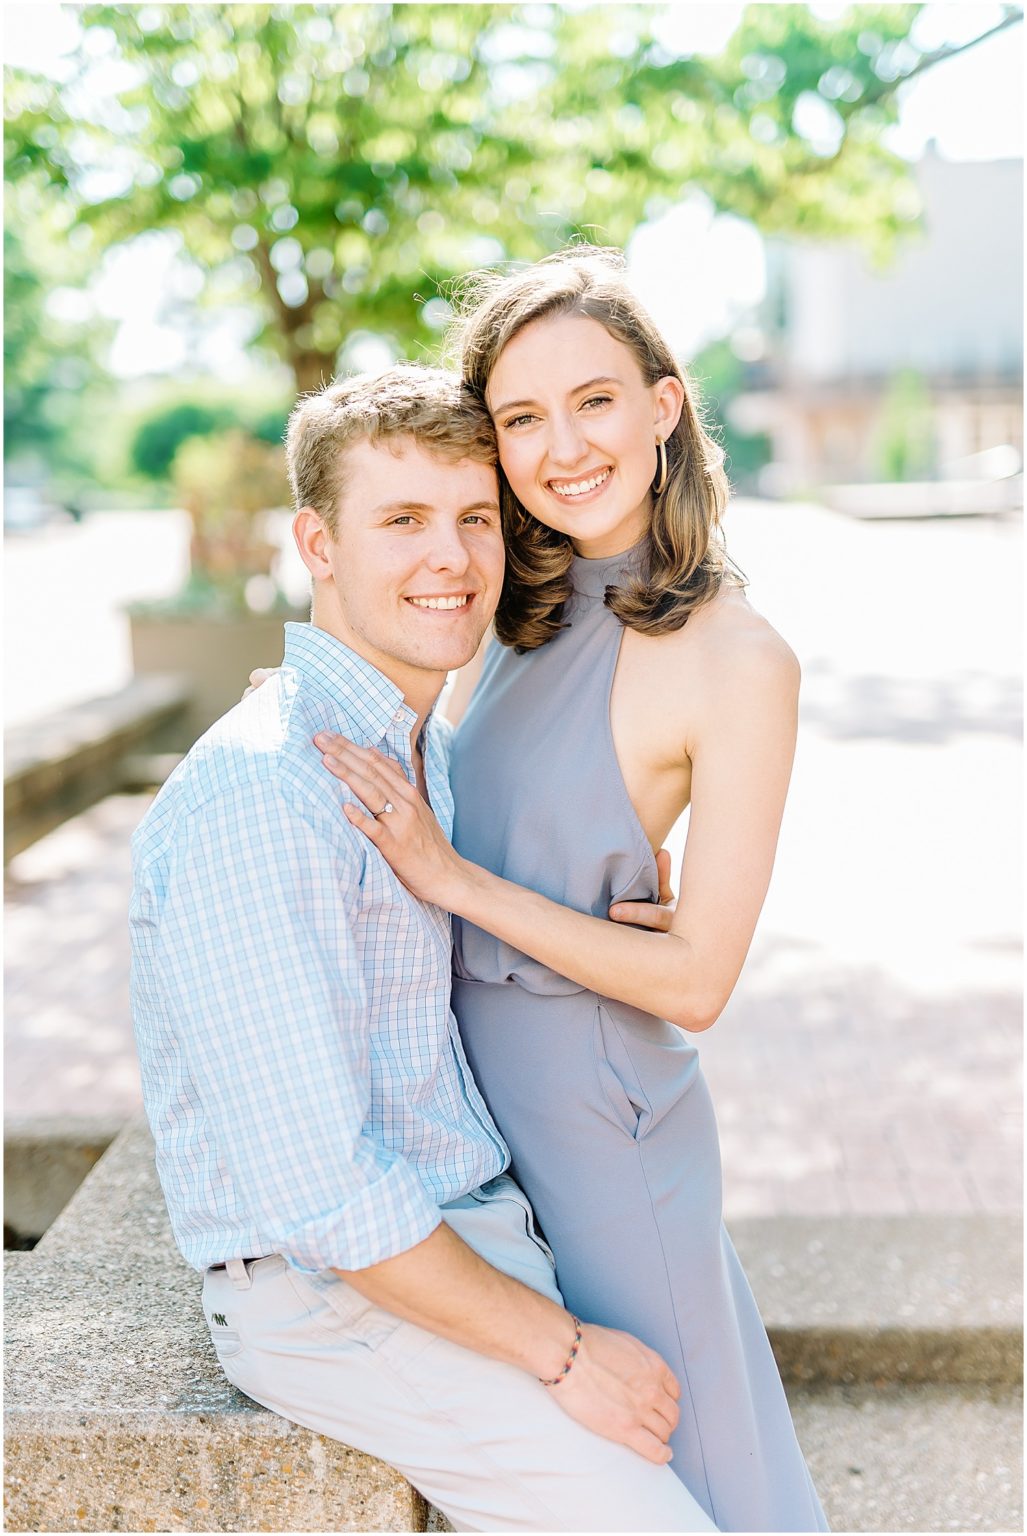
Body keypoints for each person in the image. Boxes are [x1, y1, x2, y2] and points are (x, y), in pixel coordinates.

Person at [129, 364, 717, 1535]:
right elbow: (325, 1197)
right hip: (338, 1296)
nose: (449, 559)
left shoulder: (410, 748)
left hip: (456, 1235)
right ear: (318, 543)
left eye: (474, 520)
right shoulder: (265, 796)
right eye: (401, 521)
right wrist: (562, 1353)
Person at [310, 250, 828, 1533]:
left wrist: (458, 879)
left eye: (594, 401)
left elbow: (699, 979)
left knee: (684, 1465)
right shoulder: (512, 610)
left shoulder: (736, 657)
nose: (560, 447)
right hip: (476, 1109)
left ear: (663, 405)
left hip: (603, 1126)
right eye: (520, 418)